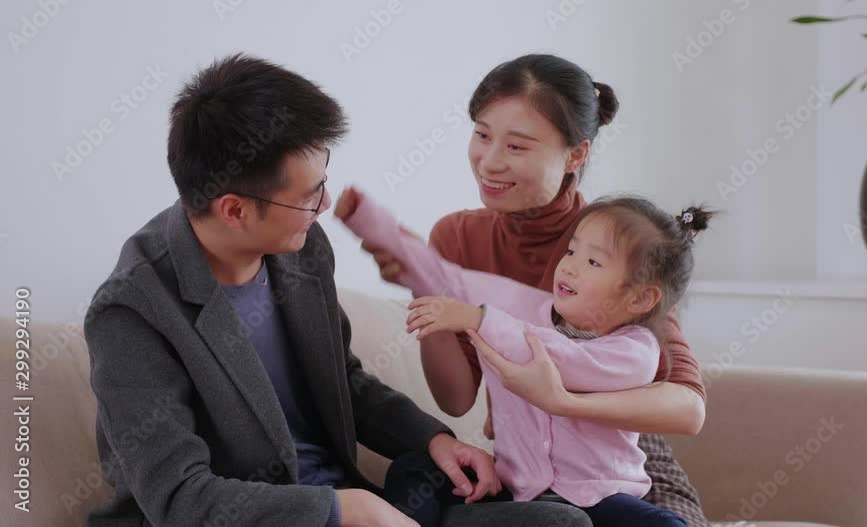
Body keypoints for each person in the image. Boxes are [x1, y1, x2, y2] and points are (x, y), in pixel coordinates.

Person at [84, 53, 592, 527]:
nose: (325, 206)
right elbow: (179, 499)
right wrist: (341, 509)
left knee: (563, 522)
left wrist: (433, 438)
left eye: (323, 182)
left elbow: (340, 379)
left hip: (359, 506)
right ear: (235, 209)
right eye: (309, 197)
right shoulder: (132, 310)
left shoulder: (300, 248)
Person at [362, 53, 711, 527]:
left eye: (518, 146)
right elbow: (457, 399)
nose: (490, 161)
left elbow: (688, 407)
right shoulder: (458, 238)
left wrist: (562, 402)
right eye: (482, 135)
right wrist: (429, 293)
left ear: (575, 154)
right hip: (527, 467)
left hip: (623, 468)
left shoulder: (613, 246)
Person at [338, 187, 712, 527]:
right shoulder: (527, 308)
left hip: (599, 499)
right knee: (416, 468)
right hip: (513, 486)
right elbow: (453, 281)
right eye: (571, 250)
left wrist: (476, 317)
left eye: (593, 262)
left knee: (662, 525)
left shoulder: (636, 351)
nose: (569, 265)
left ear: (639, 299)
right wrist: (375, 225)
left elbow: (556, 357)